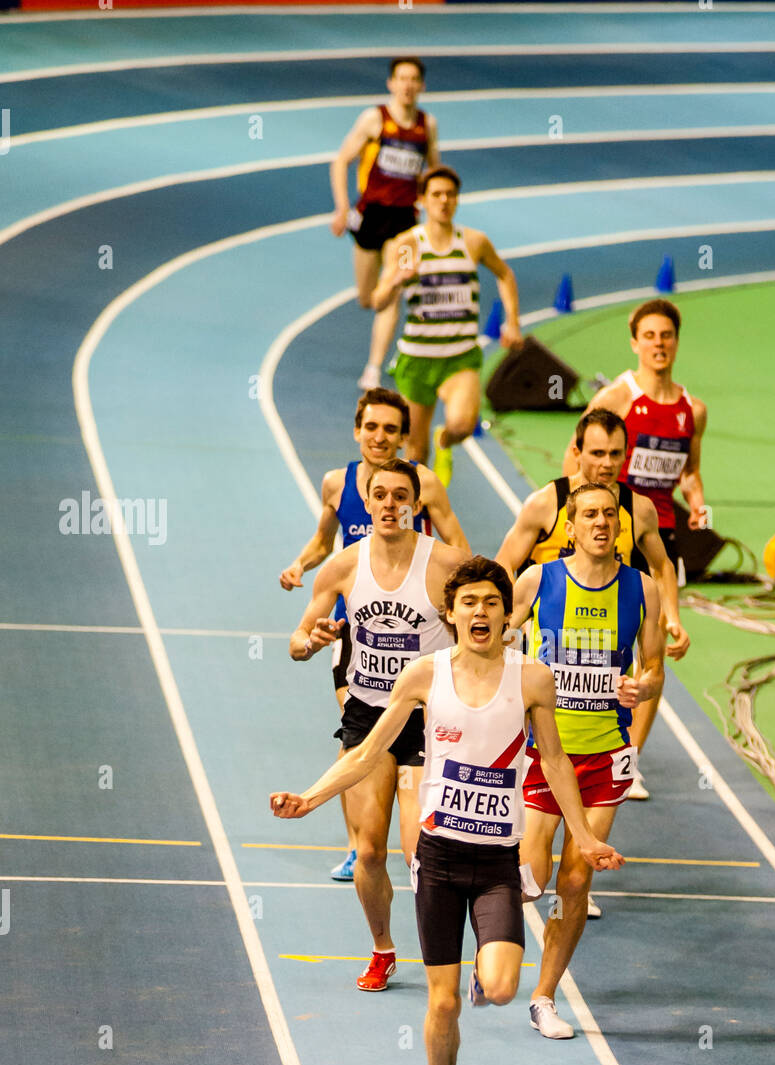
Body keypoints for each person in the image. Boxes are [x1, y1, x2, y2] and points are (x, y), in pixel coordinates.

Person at [271, 556, 624, 1065]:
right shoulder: (424, 675)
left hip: (494, 866)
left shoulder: (533, 678)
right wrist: (308, 799)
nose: (480, 612)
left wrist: (585, 838)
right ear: (451, 613)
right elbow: (365, 753)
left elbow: (556, 761)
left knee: (504, 988)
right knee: (443, 1000)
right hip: (436, 859)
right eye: (469, 603)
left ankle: (489, 976)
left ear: (505, 612)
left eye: (491, 602)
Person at [496, 405, 689, 919]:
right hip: (547, 683)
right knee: (530, 866)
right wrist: (490, 628)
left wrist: (670, 619)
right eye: (596, 453)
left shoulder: (638, 514)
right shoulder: (546, 505)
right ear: (577, 453)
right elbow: (503, 566)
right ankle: (512, 908)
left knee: (574, 876)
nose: (605, 464)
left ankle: (577, 888)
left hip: (604, 705)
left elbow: (662, 569)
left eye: (615, 455)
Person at [287, 458, 469, 992]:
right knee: (369, 851)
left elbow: (491, 619)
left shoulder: (447, 567)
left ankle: (448, 953)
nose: (390, 504)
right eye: (380, 495)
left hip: (425, 718)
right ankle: (383, 950)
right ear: (365, 503)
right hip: (367, 717)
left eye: (400, 496)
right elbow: (297, 641)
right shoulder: (343, 567)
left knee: (419, 851)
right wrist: (312, 642)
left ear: (417, 504)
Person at [279, 388, 469, 881]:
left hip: (421, 627)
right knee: (358, 730)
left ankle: (408, 841)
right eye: (371, 426)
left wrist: (457, 603)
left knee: (414, 830)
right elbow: (324, 542)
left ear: (404, 436)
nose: (380, 436)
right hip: (352, 628)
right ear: (357, 430)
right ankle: (359, 844)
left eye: (390, 428)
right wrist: (301, 566)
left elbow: (462, 550)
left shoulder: (421, 483)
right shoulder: (336, 485)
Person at [510, 485, 664, 1039]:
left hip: (606, 754)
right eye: (588, 515)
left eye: (609, 515)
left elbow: (654, 669)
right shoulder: (538, 581)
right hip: (545, 751)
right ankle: (495, 950)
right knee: (533, 874)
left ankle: (544, 997)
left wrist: (640, 690)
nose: (600, 523)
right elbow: (500, 640)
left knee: (577, 881)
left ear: (620, 526)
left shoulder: (642, 590)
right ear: (570, 527)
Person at [562, 299, 708, 799]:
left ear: (677, 340)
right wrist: (573, 508)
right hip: (608, 527)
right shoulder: (618, 396)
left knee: (652, 656)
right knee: (597, 644)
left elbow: (689, 471)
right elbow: (577, 452)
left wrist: (699, 501)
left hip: (658, 534)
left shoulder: (693, 411)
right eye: (649, 335)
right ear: (634, 342)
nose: (659, 343)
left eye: (666, 334)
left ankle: (628, 761)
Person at [372, 165, 522, 487]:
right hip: (417, 359)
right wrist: (398, 279)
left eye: (450, 195)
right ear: (422, 200)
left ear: (457, 200)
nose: (444, 201)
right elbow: (379, 301)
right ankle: (414, 516)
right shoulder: (406, 245)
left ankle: (447, 441)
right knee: (415, 450)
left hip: (460, 356)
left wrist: (512, 322)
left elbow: (505, 274)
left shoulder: (473, 242)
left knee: (463, 424)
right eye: (436, 195)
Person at [329, 57, 440, 390]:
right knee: (368, 297)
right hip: (370, 216)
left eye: (413, 79)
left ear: (421, 85)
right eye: (401, 79)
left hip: (404, 222)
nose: (407, 85)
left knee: (393, 289)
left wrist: (433, 211)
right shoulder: (374, 119)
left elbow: (432, 172)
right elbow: (340, 161)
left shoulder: (427, 124)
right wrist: (341, 207)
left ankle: (374, 368)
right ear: (391, 83)